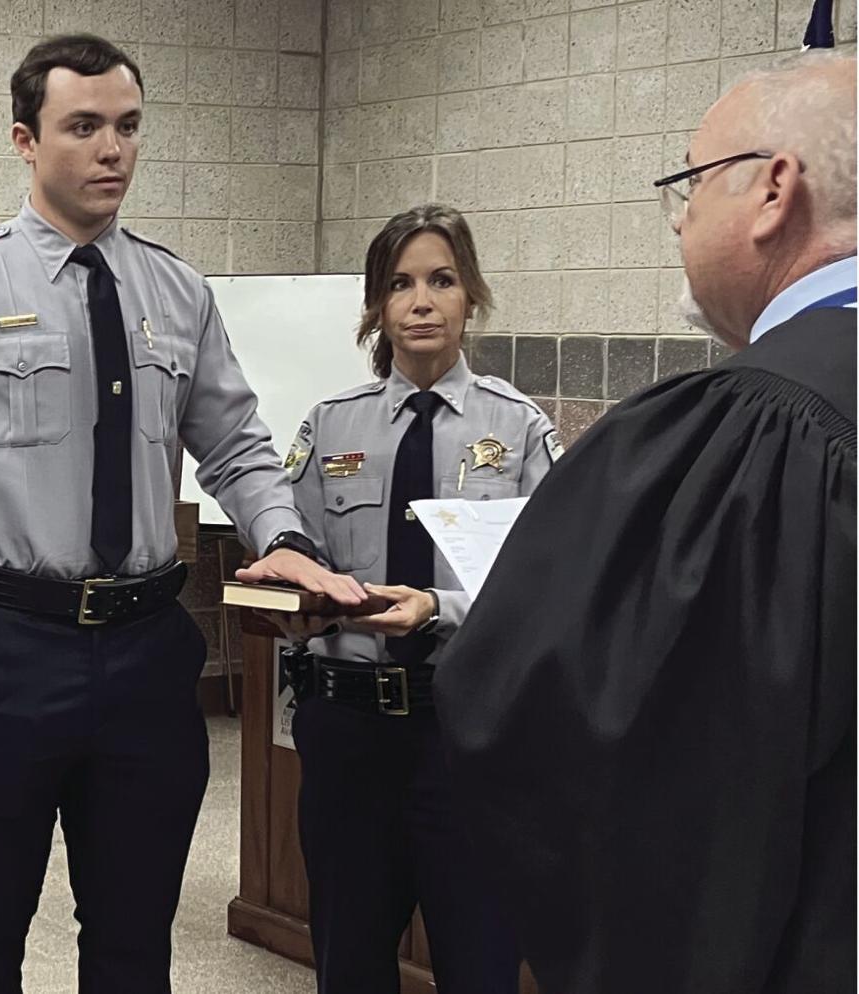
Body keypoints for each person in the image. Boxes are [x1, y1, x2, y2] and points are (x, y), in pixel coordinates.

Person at [0, 34, 366, 993]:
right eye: (83, 127)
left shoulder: (175, 289)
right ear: (26, 141)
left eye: (127, 127)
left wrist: (284, 537)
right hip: (4, 646)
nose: (111, 149)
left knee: (132, 946)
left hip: (144, 654)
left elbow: (237, 443)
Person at [434, 53, 856, 994]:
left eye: (691, 184)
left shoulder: (750, 436)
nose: (679, 220)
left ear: (773, 190)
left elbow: (547, 717)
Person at [263, 205, 552, 993]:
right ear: (376, 308)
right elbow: (295, 551)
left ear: (470, 299)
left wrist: (439, 606)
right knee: (350, 964)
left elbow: (547, 580)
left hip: (463, 735)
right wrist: (294, 591)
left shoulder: (518, 428)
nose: (422, 301)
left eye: (442, 280)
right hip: (349, 732)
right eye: (400, 284)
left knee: (479, 961)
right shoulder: (329, 428)